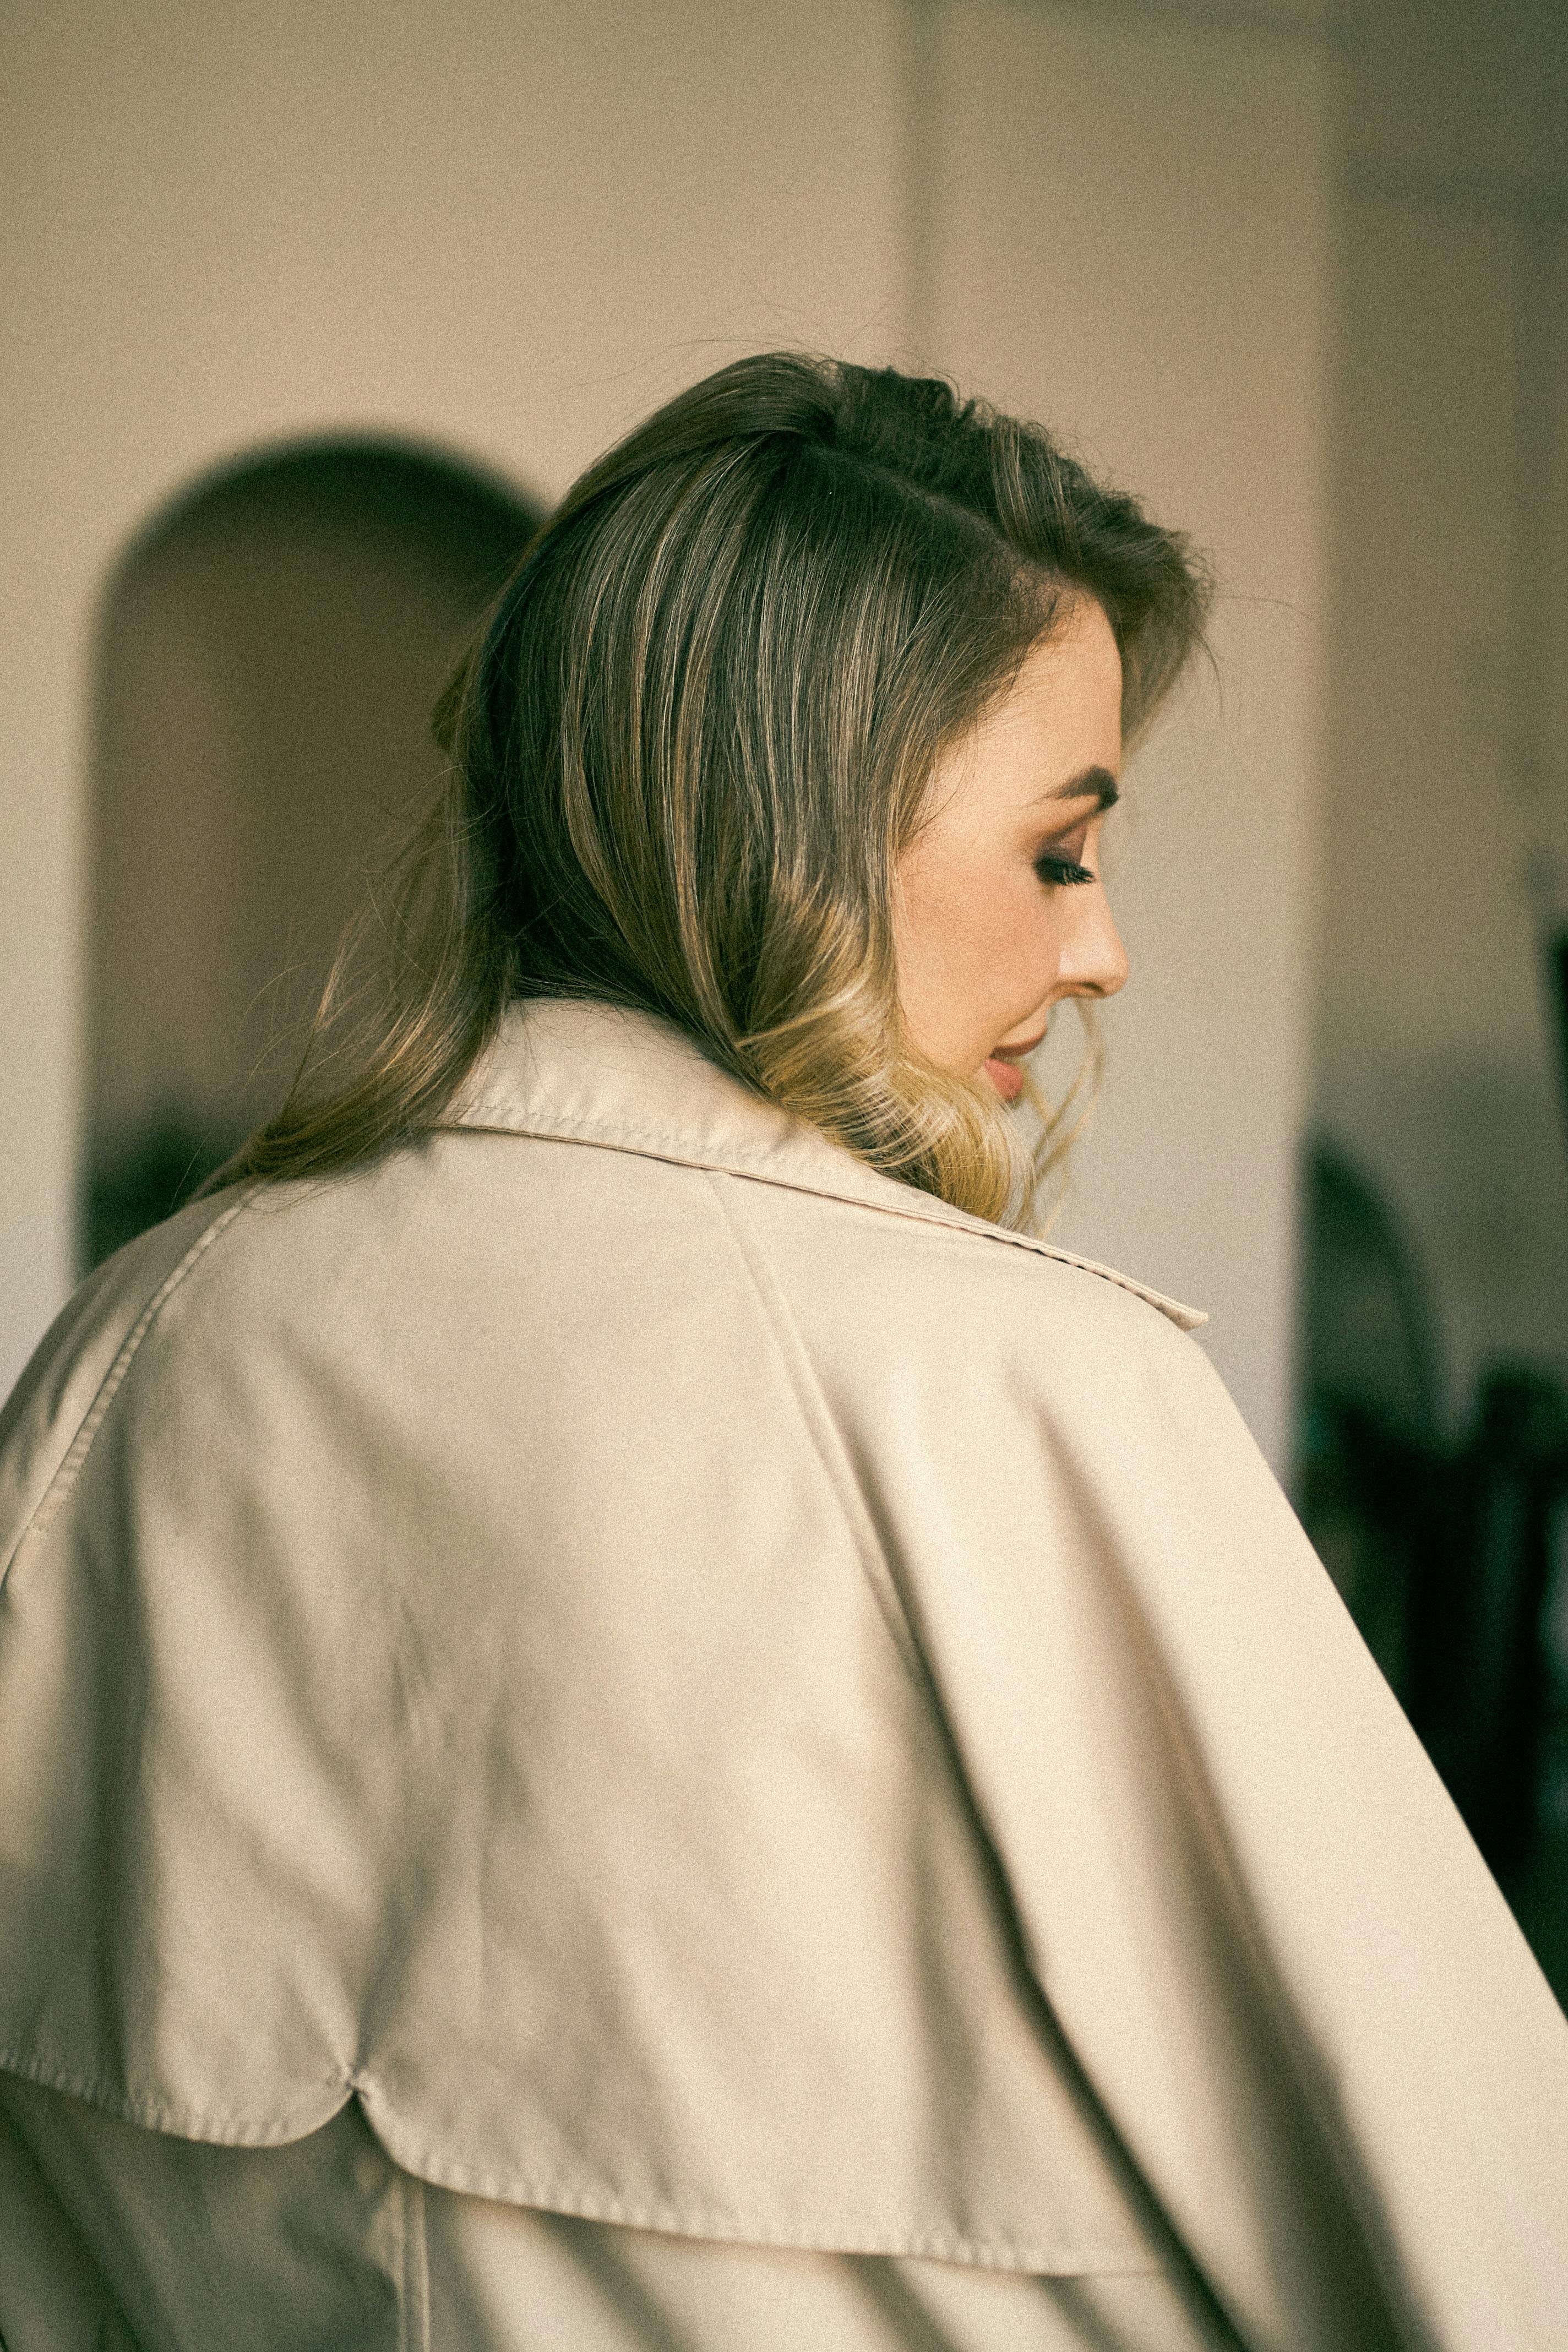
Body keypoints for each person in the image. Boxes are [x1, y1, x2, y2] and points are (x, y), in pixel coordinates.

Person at [0, 353, 1564, 2350]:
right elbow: (1501, 2250)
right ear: (798, 830)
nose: (1100, 955)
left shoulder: (131, 1353)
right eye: (1061, 852)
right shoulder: (1023, 1404)